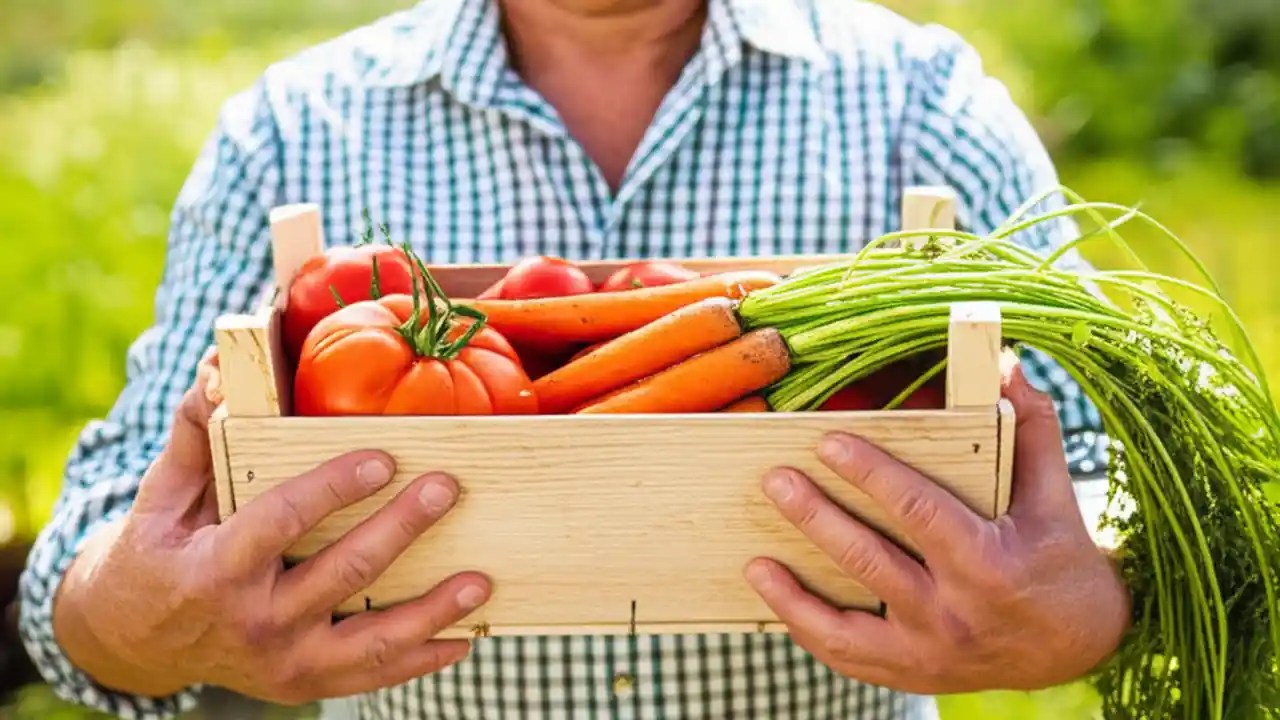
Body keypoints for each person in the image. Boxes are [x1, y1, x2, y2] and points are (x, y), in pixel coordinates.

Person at [19, 1, 1131, 718]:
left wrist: (1100, 588)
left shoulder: (921, 106)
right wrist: (133, 614)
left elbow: (1104, 456)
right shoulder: (291, 130)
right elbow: (101, 535)